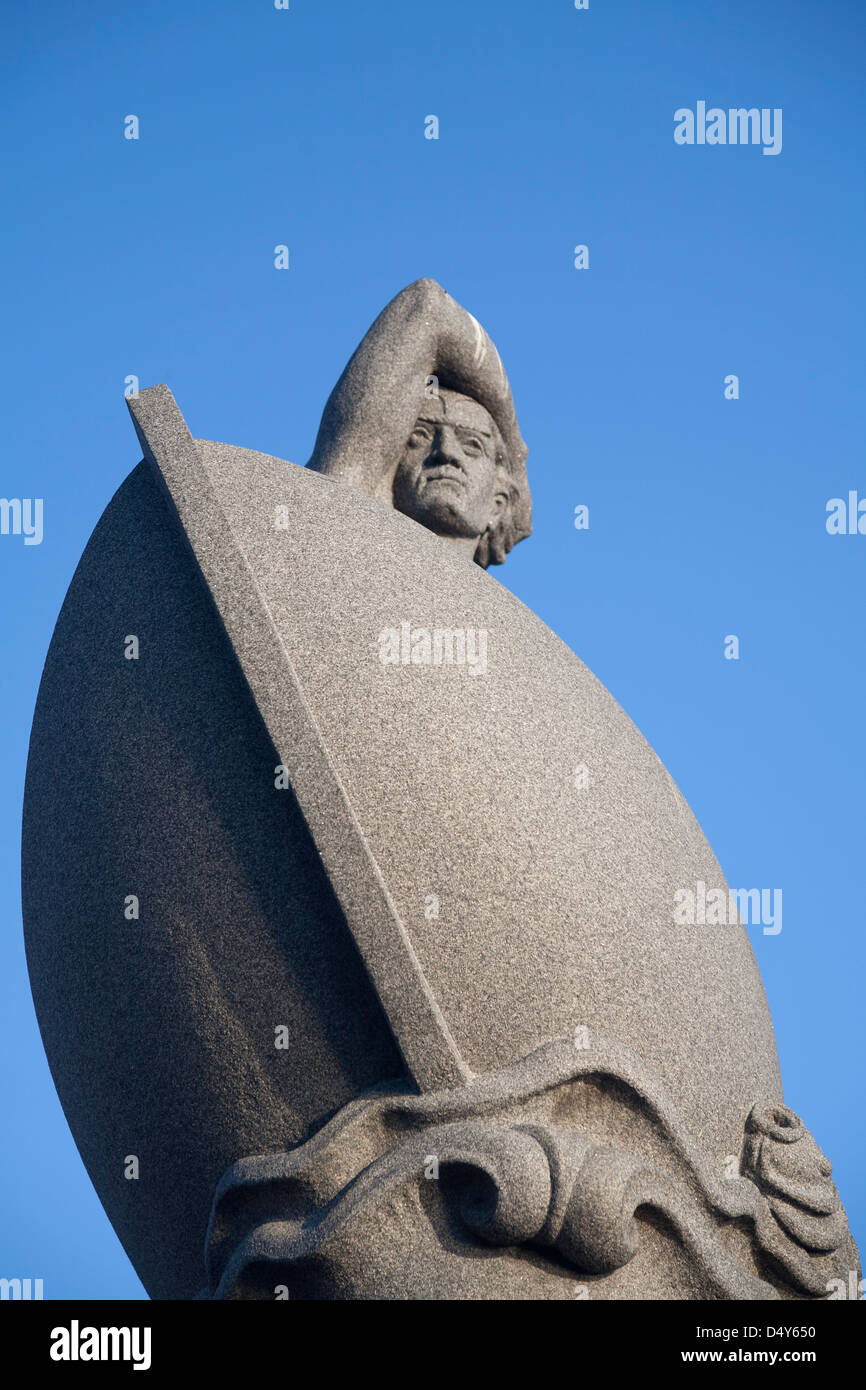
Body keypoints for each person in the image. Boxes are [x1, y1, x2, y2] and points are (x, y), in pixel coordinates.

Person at [306, 278, 531, 567]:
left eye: (473, 445)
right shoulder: (344, 522)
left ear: (499, 504)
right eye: (420, 437)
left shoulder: (502, 612)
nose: (446, 453)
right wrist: (516, 454)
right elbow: (427, 307)